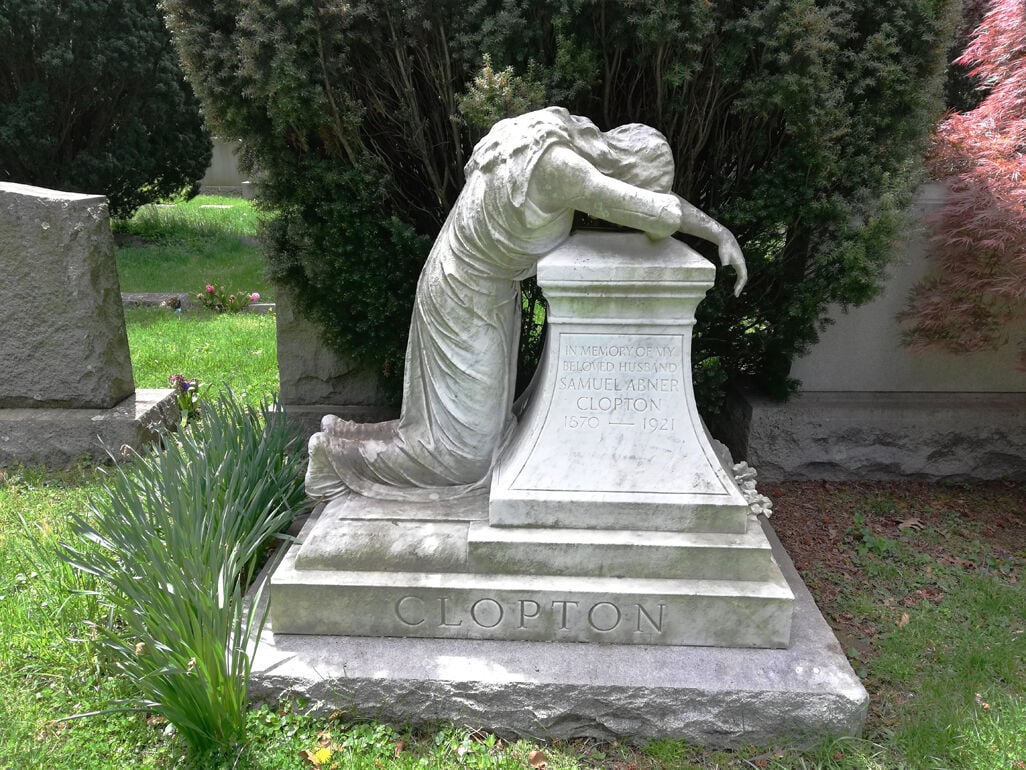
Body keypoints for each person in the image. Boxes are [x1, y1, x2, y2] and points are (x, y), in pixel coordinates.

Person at [305, 106, 747, 502]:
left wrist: (710, 230)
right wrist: (718, 233)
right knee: (466, 457)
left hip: (482, 292)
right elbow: (660, 215)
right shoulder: (562, 167)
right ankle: (334, 453)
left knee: (478, 435)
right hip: (462, 296)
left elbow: (649, 209)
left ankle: (348, 437)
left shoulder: (547, 136)